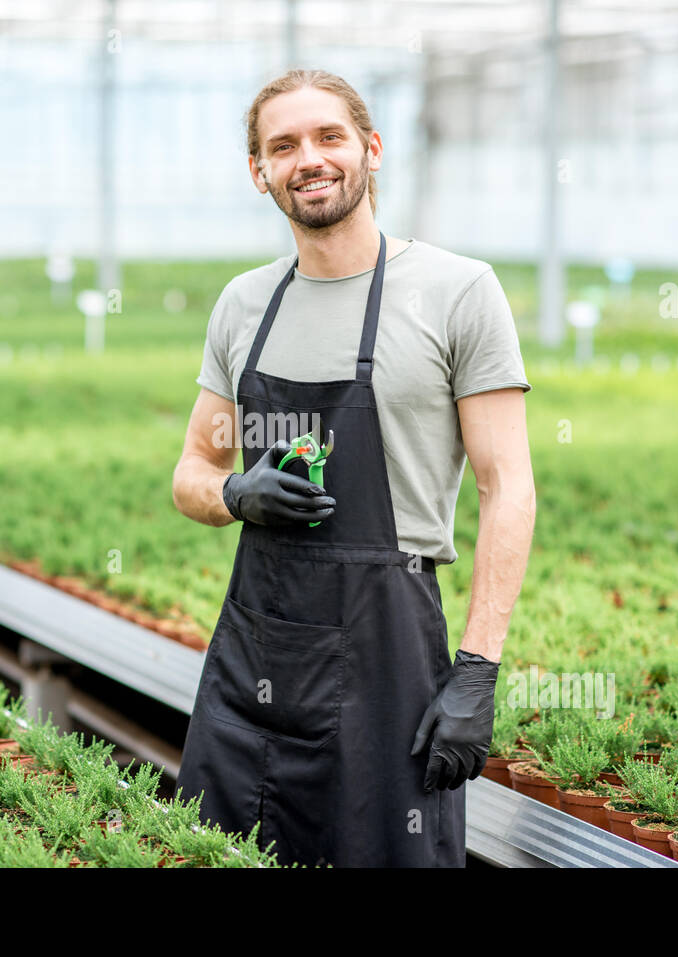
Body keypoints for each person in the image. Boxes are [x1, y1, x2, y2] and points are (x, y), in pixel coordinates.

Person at [170, 68, 536, 867]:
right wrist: (236, 492)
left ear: (371, 150)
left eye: (329, 136)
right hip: (258, 651)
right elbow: (192, 469)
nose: (310, 158)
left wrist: (477, 669)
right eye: (283, 145)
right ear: (259, 172)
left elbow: (507, 487)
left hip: (388, 654)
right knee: (220, 850)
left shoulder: (457, 291)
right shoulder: (244, 305)